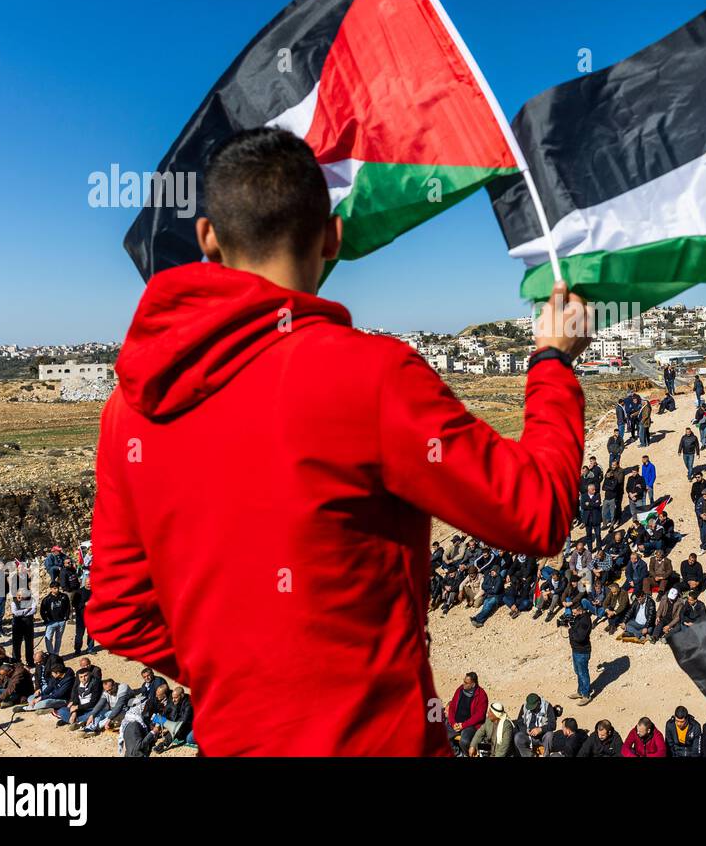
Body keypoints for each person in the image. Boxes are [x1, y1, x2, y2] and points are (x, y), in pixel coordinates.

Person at [87, 127, 590, 757]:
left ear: (208, 237)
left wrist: (246, 682)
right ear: (332, 237)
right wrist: (553, 363)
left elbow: (118, 613)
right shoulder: (368, 375)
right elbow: (535, 511)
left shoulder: (127, 410)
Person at [446, 672, 488, 755]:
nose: (463, 684)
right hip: (456, 723)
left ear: (473, 684)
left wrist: (463, 725)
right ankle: (457, 753)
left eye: (466, 682)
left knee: (464, 741)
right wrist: (453, 723)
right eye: (463, 681)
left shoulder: (481, 695)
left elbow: (479, 716)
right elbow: (452, 707)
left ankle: (466, 754)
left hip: (470, 726)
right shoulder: (460, 690)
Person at [568, 601, 594, 705]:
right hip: (576, 650)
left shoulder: (586, 620)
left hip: (582, 651)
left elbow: (580, 637)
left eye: (574, 613)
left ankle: (586, 695)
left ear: (580, 610)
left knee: (583, 673)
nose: (573, 615)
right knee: (578, 671)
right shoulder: (579, 617)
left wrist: (570, 630)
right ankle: (580, 691)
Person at [39, 581, 70, 658]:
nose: (57, 590)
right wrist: (46, 620)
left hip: (61, 621)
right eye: (55, 588)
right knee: (48, 638)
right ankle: (51, 654)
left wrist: (66, 617)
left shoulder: (64, 596)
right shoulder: (47, 599)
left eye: (58, 588)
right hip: (51, 622)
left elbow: (68, 607)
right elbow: (42, 610)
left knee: (58, 638)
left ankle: (56, 654)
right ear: (51, 589)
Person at [579, 482, 603, 551]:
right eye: (593, 490)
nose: (595, 491)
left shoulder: (597, 495)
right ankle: (590, 549)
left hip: (596, 518)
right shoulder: (584, 496)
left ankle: (599, 548)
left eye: (594, 489)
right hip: (587, 519)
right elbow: (583, 506)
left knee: (598, 535)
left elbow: (598, 505)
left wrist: (589, 504)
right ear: (589, 490)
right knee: (588, 535)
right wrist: (593, 504)